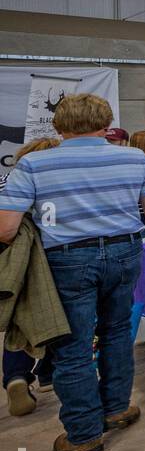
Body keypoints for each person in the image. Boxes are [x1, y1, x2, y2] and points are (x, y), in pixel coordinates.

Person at [0, 94, 145, 451]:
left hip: (66, 260)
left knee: (72, 347)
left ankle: (83, 434)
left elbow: (6, 229)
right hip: (124, 252)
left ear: (59, 125)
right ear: (106, 123)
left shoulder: (33, 164)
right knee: (115, 333)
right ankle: (117, 408)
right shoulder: (133, 157)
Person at [0, 137, 59, 417]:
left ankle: (16, 377)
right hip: (57, 255)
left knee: (22, 322)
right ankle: (48, 374)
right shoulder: (59, 178)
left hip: (21, 260)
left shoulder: (9, 179)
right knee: (57, 318)